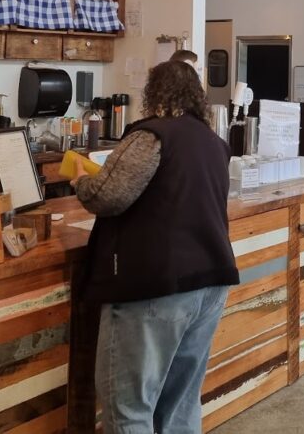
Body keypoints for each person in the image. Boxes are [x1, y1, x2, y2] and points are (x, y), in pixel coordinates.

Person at [72, 60, 238, 433]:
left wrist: (82, 181)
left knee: (129, 407)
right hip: (212, 281)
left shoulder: (152, 136)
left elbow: (107, 195)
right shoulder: (213, 142)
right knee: (179, 405)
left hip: (156, 285)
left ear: (153, 93)